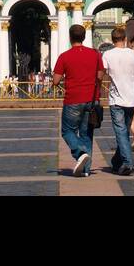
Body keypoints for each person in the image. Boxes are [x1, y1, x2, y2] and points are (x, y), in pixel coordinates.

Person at [52, 24, 104, 177]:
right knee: (86, 134)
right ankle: (86, 170)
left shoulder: (64, 56)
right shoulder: (95, 54)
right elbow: (100, 76)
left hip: (73, 99)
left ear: (70, 37)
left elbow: (55, 80)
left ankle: (79, 153)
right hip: (92, 99)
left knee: (67, 131)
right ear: (84, 37)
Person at [101, 25, 134, 176]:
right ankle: (116, 162)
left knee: (121, 132)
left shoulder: (107, 55)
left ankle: (127, 163)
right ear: (125, 39)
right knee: (123, 132)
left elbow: (103, 73)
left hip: (116, 98)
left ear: (112, 40)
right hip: (132, 98)